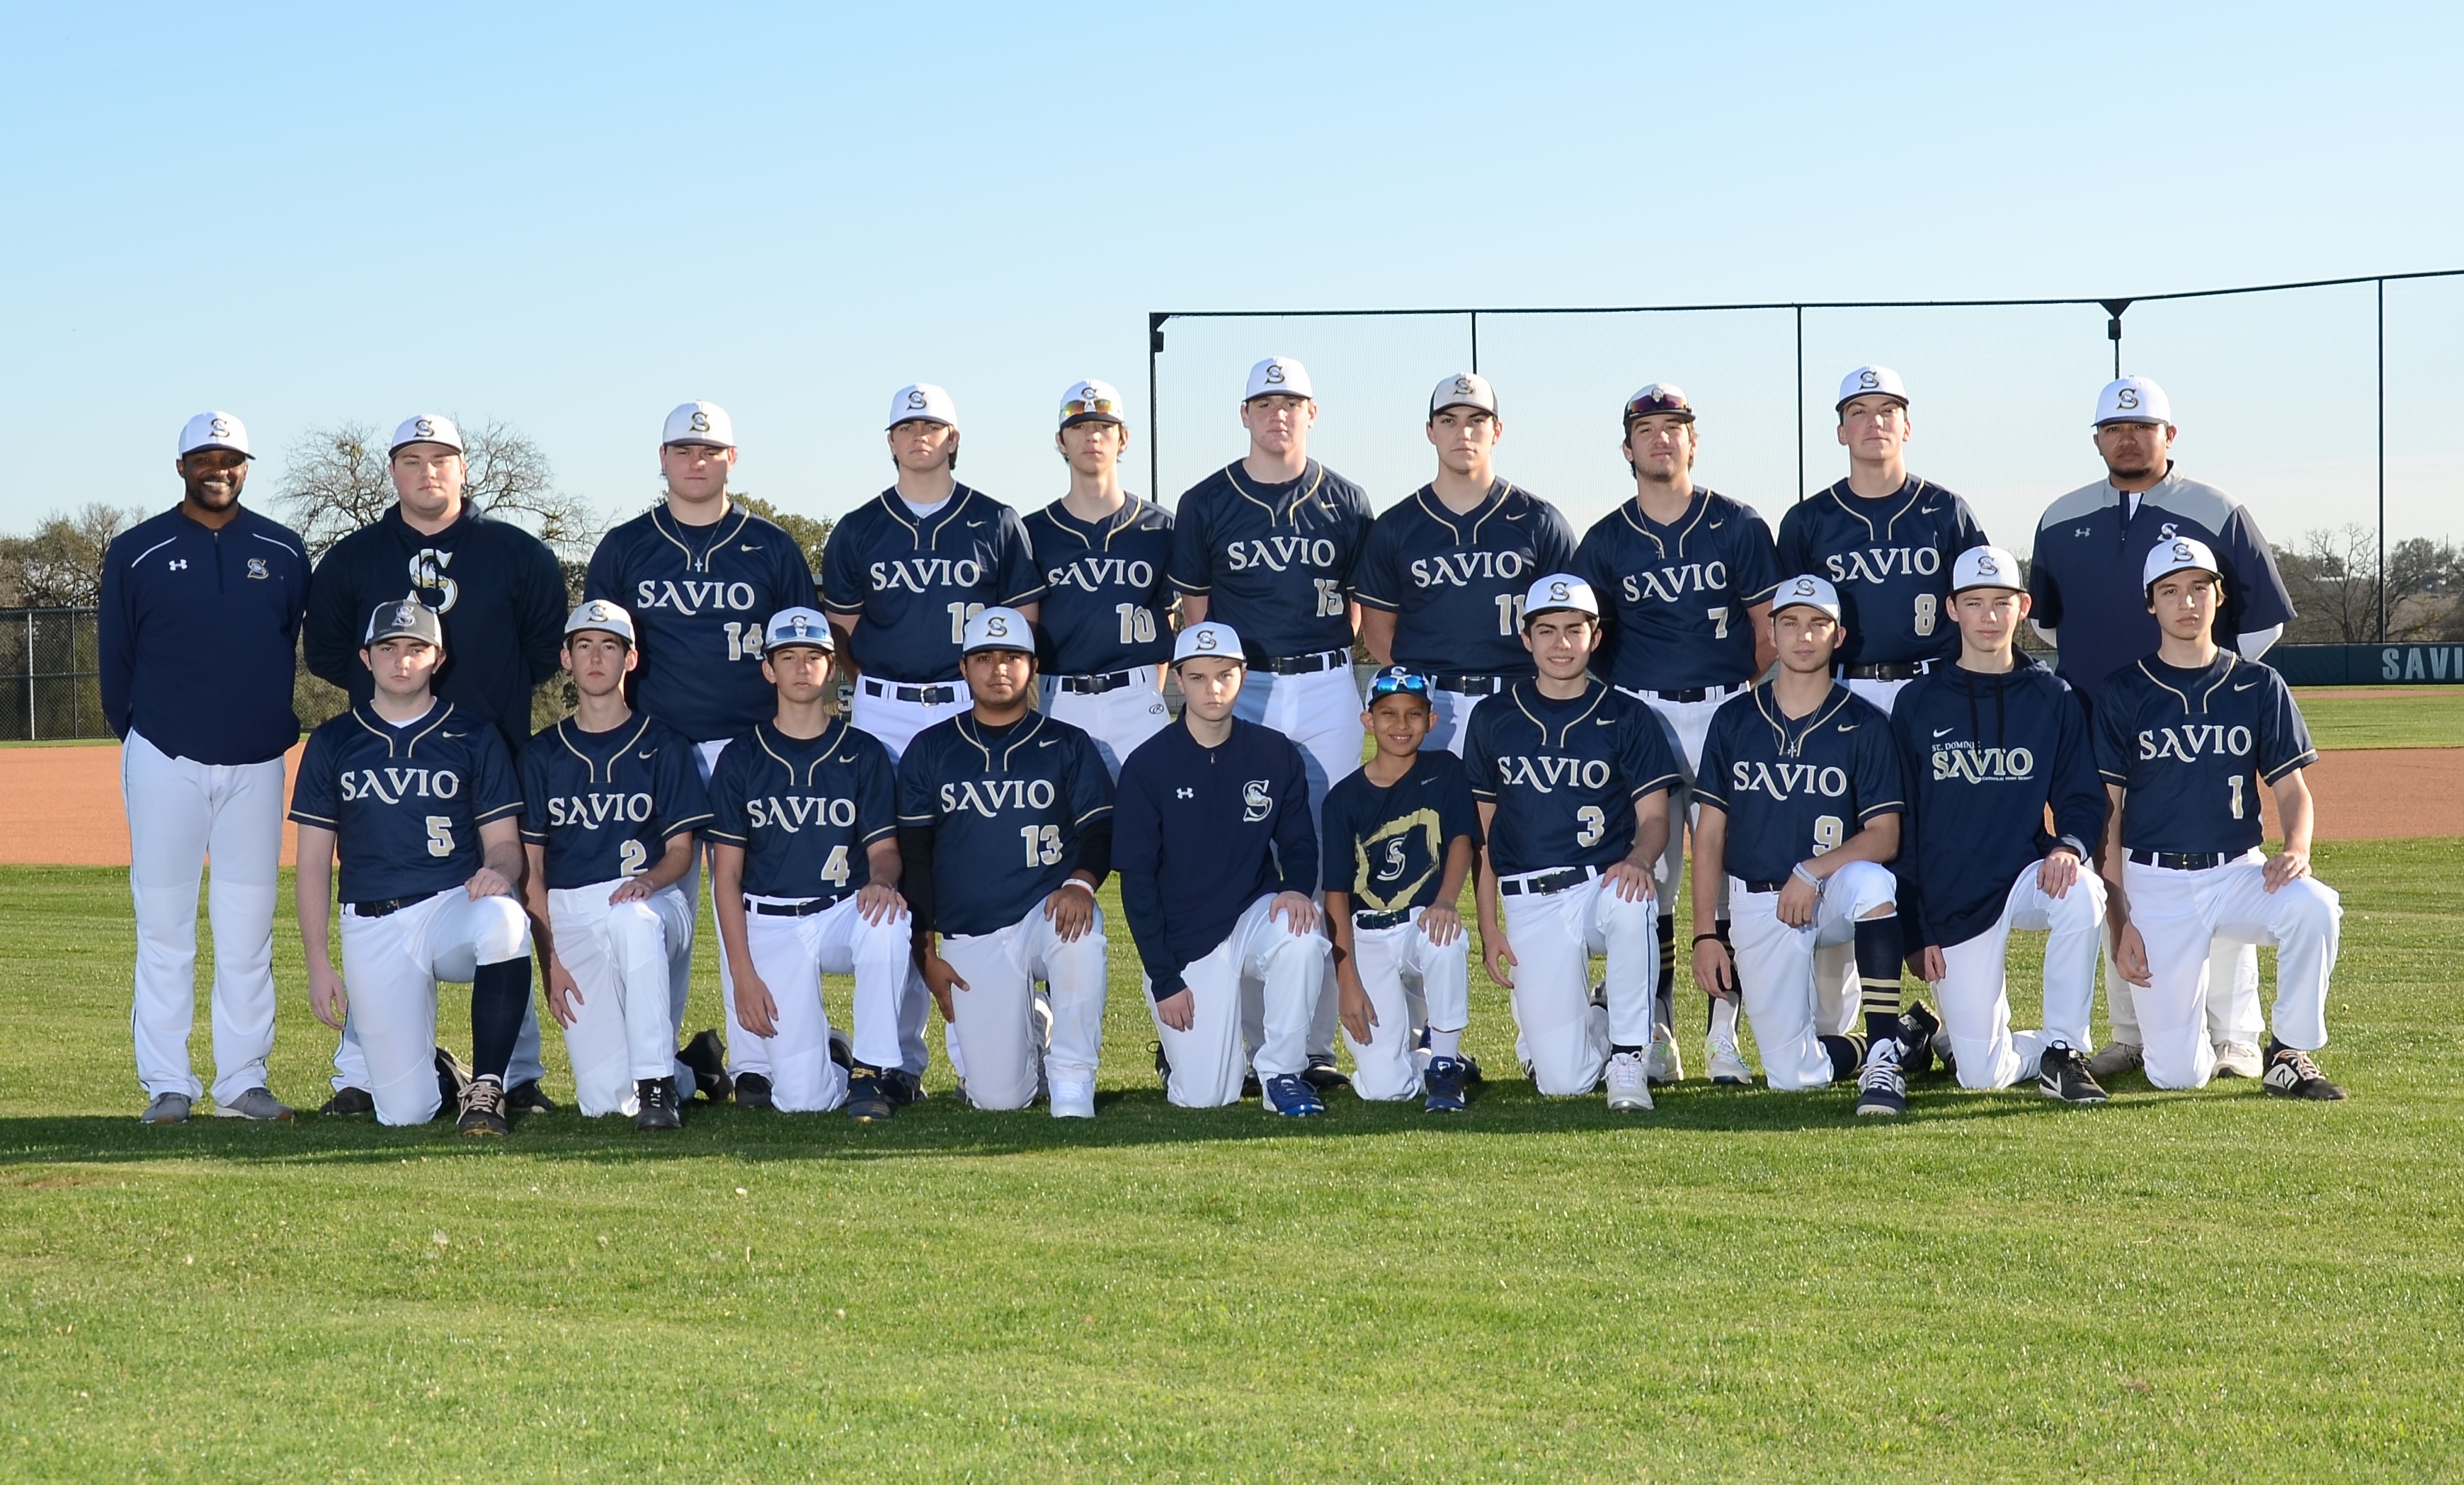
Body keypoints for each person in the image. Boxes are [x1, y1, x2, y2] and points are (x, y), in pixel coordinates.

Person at [2028, 377, 2298, 1083]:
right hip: (2102, 726)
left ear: (2169, 435)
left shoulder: (2217, 509)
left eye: (2144, 426)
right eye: (2115, 428)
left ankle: (2236, 1036)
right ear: (2097, 439)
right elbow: (2047, 622)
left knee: (2224, 859)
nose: (2129, 437)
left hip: (2199, 723)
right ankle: (2132, 1032)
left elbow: (2264, 618)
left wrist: (2210, 688)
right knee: (2118, 867)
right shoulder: (2061, 518)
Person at [302, 413, 566, 1115]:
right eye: (413, 460)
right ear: (393, 472)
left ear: (464, 468)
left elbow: (543, 650)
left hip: (489, 760)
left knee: (502, 909)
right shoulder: (354, 557)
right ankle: (361, 1073)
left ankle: (516, 1072)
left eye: (441, 459)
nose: (428, 473)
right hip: (384, 762)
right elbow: (328, 649)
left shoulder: (516, 554)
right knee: (376, 908)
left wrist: (477, 709)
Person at [584, 401, 821, 1103]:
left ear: (732, 460)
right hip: (659, 750)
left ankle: (756, 1060)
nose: (696, 461)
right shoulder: (626, 546)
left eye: (710, 450)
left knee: (753, 900)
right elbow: (600, 653)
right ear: (662, 459)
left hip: (751, 748)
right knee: (661, 905)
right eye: (683, 449)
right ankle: (665, 1065)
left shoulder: (771, 547)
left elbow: (801, 649)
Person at [1168, 355, 1374, 1091]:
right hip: (1244, 686)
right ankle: (1247, 1035)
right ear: (1245, 415)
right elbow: (1198, 618)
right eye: (1264, 403)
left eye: (1292, 403)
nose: (1278, 414)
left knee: (1322, 850)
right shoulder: (1206, 501)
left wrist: (1330, 661)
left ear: (1311, 414)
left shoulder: (1346, 500)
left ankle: (1310, 1044)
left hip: (1323, 682)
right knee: (1237, 848)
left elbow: (1360, 609)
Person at [101, 412, 310, 1125]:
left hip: (256, 763)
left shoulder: (284, 550)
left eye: (232, 457)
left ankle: (243, 1082)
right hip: (165, 757)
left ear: (247, 465)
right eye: (205, 457)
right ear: (182, 465)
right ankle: (167, 1083)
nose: (218, 468)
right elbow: (115, 666)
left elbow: (283, 643)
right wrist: (150, 737)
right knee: (164, 928)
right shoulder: (136, 550)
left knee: (248, 929)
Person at [1573, 382, 1782, 1087]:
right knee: (1648, 880)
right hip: (1642, 714)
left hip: (1726, 709)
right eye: (1648, 429)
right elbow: (1588, 644)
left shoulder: (1740, 526)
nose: (1662, 438)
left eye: (1676, 426)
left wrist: (1725, 692)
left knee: (1728, 881)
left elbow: (1766, 634)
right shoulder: (1603, 540)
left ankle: (1725, 1035)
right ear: (1627, 448)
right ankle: (1655, 1033)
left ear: (1695, 439)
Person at [2094, 539, 2346, 1098]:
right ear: (2150, 605)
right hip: (2155, 879)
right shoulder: (2124, 690)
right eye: (2170, 591)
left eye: (2199, 588)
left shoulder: (2258, 684)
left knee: (2316, 908)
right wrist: (2120, 919)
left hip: (2237, 873)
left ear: (2219, 596)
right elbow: (2107, 814)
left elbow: (2292, 790)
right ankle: (2209, 1034)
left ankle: (2288, 1051)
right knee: (2176, 1075)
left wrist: (2297, 847)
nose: (2187, 602)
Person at [1689, 575, 1938, 1117]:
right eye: (1791, 623)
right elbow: (1707, 835)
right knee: (1792, 1076)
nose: (1805, 636)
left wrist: (1811, 869)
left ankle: (1880, 1056)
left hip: (1831, 891)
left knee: (1873, 882)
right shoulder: (1733, 719)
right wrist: (1706, 933)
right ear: (1772, 634)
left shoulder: (1866, 723)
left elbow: (1885, 836)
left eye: (1818, 623)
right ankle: (1904, 1034)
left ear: (1839, 635)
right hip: (1760, 901)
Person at [289, 599, 534, 1134]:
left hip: (451, 906)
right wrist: (317, 962)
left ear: (438, 658)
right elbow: (311, 863)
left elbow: (506, 845)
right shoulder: (333, 742)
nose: (402, 660)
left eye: (416, 648)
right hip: (372, 921)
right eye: (389, 648)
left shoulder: (473, 735)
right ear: (367, 657)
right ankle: (447, 1076)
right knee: (404, 1112)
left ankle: (487, 1088)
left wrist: (499, 871)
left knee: (506, 921)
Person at [1888, 547, 2111, 1103]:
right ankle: (1946, 1035)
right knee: (1980, 1075)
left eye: (2001, 603)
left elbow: (2082, 798)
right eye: (1975, 603)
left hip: (2024, 875)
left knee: (2083, 892)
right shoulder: (1917, 702)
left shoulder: (2053, 697)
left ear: (2023, 607)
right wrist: (1917, 931)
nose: (1989, 616)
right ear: (1952, 609)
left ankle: (2063, 1052)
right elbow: (1904, 825)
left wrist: (2070, 846)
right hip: (1953, 896)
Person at [1465, 575, 1679, 1108]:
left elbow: (1655, 818)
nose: (1561, 643)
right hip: (1529, 897)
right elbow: (1485, 837)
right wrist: (1489, 926)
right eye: (1547, 631)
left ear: (1595, 637)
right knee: (1563, 1082)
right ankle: (1603, 1018)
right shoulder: (1493, 716)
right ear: (1527, 638)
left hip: (1598, 884)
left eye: (1573, 630)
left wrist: (1638, 859)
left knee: (1633, 901)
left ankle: (1630, 1055)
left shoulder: (1629, 715)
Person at [900, 608, 1115, 1117]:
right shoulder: (931, 748)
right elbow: (914, 855)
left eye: (1012, 657)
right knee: (999, 1099)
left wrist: (1081, 882)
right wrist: (924, 952)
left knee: (1082, 933)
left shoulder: (1068, 744)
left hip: (1046, 914)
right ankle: (1032, 1022)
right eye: (985, 657)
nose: (999, 668)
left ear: (1033, 666)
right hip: (972, 930)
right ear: (964, 668)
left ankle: (1072, 1083)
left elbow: (1101, 829)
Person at [1112, 621, 1332, 1114]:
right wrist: (1165, 978)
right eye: (1198, 677)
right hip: (1185, 938)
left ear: (1243, 675)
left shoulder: (1274, 753)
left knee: (1300, 935)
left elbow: (1298, 839)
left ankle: (1282, 1073)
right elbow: (1138, 883)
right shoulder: (1148, 765)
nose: (1213, 688)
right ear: (1178, 680)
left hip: (1251, 914)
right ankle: (1180, 1056)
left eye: (1224, 675)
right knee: (1207, 1096)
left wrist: (1296, 888)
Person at [704, 609, 914, 1120]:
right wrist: (742, 975)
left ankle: (871, 1071)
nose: (802, 667)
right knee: (802, 1100)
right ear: (768, 669)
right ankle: (835, 1061)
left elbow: (884, 852)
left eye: (815, 657)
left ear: (832, 668)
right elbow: (725, 877)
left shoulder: (863, 752)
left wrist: (882, 881)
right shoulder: (741, 756)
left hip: (841, 909)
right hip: (770, 922)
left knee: (889, 921)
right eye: (788, 657)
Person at [517, 601, 713, 1130]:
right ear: (566, 657)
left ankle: (656, 1087)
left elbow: (680, 851)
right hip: (572, 910)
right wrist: (549, 961)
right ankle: (690, 1072)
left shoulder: (664, 744)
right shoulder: (542, 755)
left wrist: (648, 881)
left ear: (631, 659)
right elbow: (532, 872)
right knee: (604, 1100)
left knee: (632, 917)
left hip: (650, 900)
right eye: (585, 645)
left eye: (610, 645)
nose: (596, 657)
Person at [1352, 372, 1578, 755]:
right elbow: (1377, 634)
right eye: (1449, 421)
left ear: (1497, 430)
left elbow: (1569, 623)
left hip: (1518, 698)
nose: (1464, 433)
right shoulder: (1395, 527)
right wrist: (1423, 688)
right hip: (1430, 705)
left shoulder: (1539, 521)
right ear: (1430, 431)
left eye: (1477, 421)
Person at [820, 384, 1046, 762]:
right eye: (906, 428)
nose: (919, 436)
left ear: (953, 439)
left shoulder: (996, 520)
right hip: (882, 708)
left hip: (969, 702)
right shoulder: (857, 527)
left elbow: (1023, 625)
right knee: (882, 820)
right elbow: (841, 629)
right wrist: (870, 682)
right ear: (891, 442)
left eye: (931, 426)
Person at [1776, 368, 1988, 712]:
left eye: (1888, 410)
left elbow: (1983, 601)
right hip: (1841, 687)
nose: (1875, 421)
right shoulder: (1808, 520)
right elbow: (1785, 620)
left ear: (1907, 428)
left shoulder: (1946, 509)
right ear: (1842, 433)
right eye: (1859, 411)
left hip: (1935, 684)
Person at [1322, 669, 1481, 1112]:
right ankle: (1426, 1056)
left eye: (1414, 714)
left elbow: (1461, 840)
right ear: (1367, 720)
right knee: (1382, 1087)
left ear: (1431, 721)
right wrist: (1346, 977)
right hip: (1367, 932)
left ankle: (1445, 1066)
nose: (1401, 724)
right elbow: (1335, 894)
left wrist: (1446, 900)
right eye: (1387, 713)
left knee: (1445, 939)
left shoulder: (1445, 770)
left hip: (1418, 921)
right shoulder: (1342, 798)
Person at [1024, 380, 1176, 777]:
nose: (1092, 435)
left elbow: (1170, 619)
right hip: (1062, 698)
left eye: (1104, 426)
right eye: (1079, 427)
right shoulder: (1033, 532)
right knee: (1067, 830)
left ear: (1123, 438)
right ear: (1061, 441)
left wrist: (1145, 687)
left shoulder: (1161, 528)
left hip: (1139, 699)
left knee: (1150, 829)